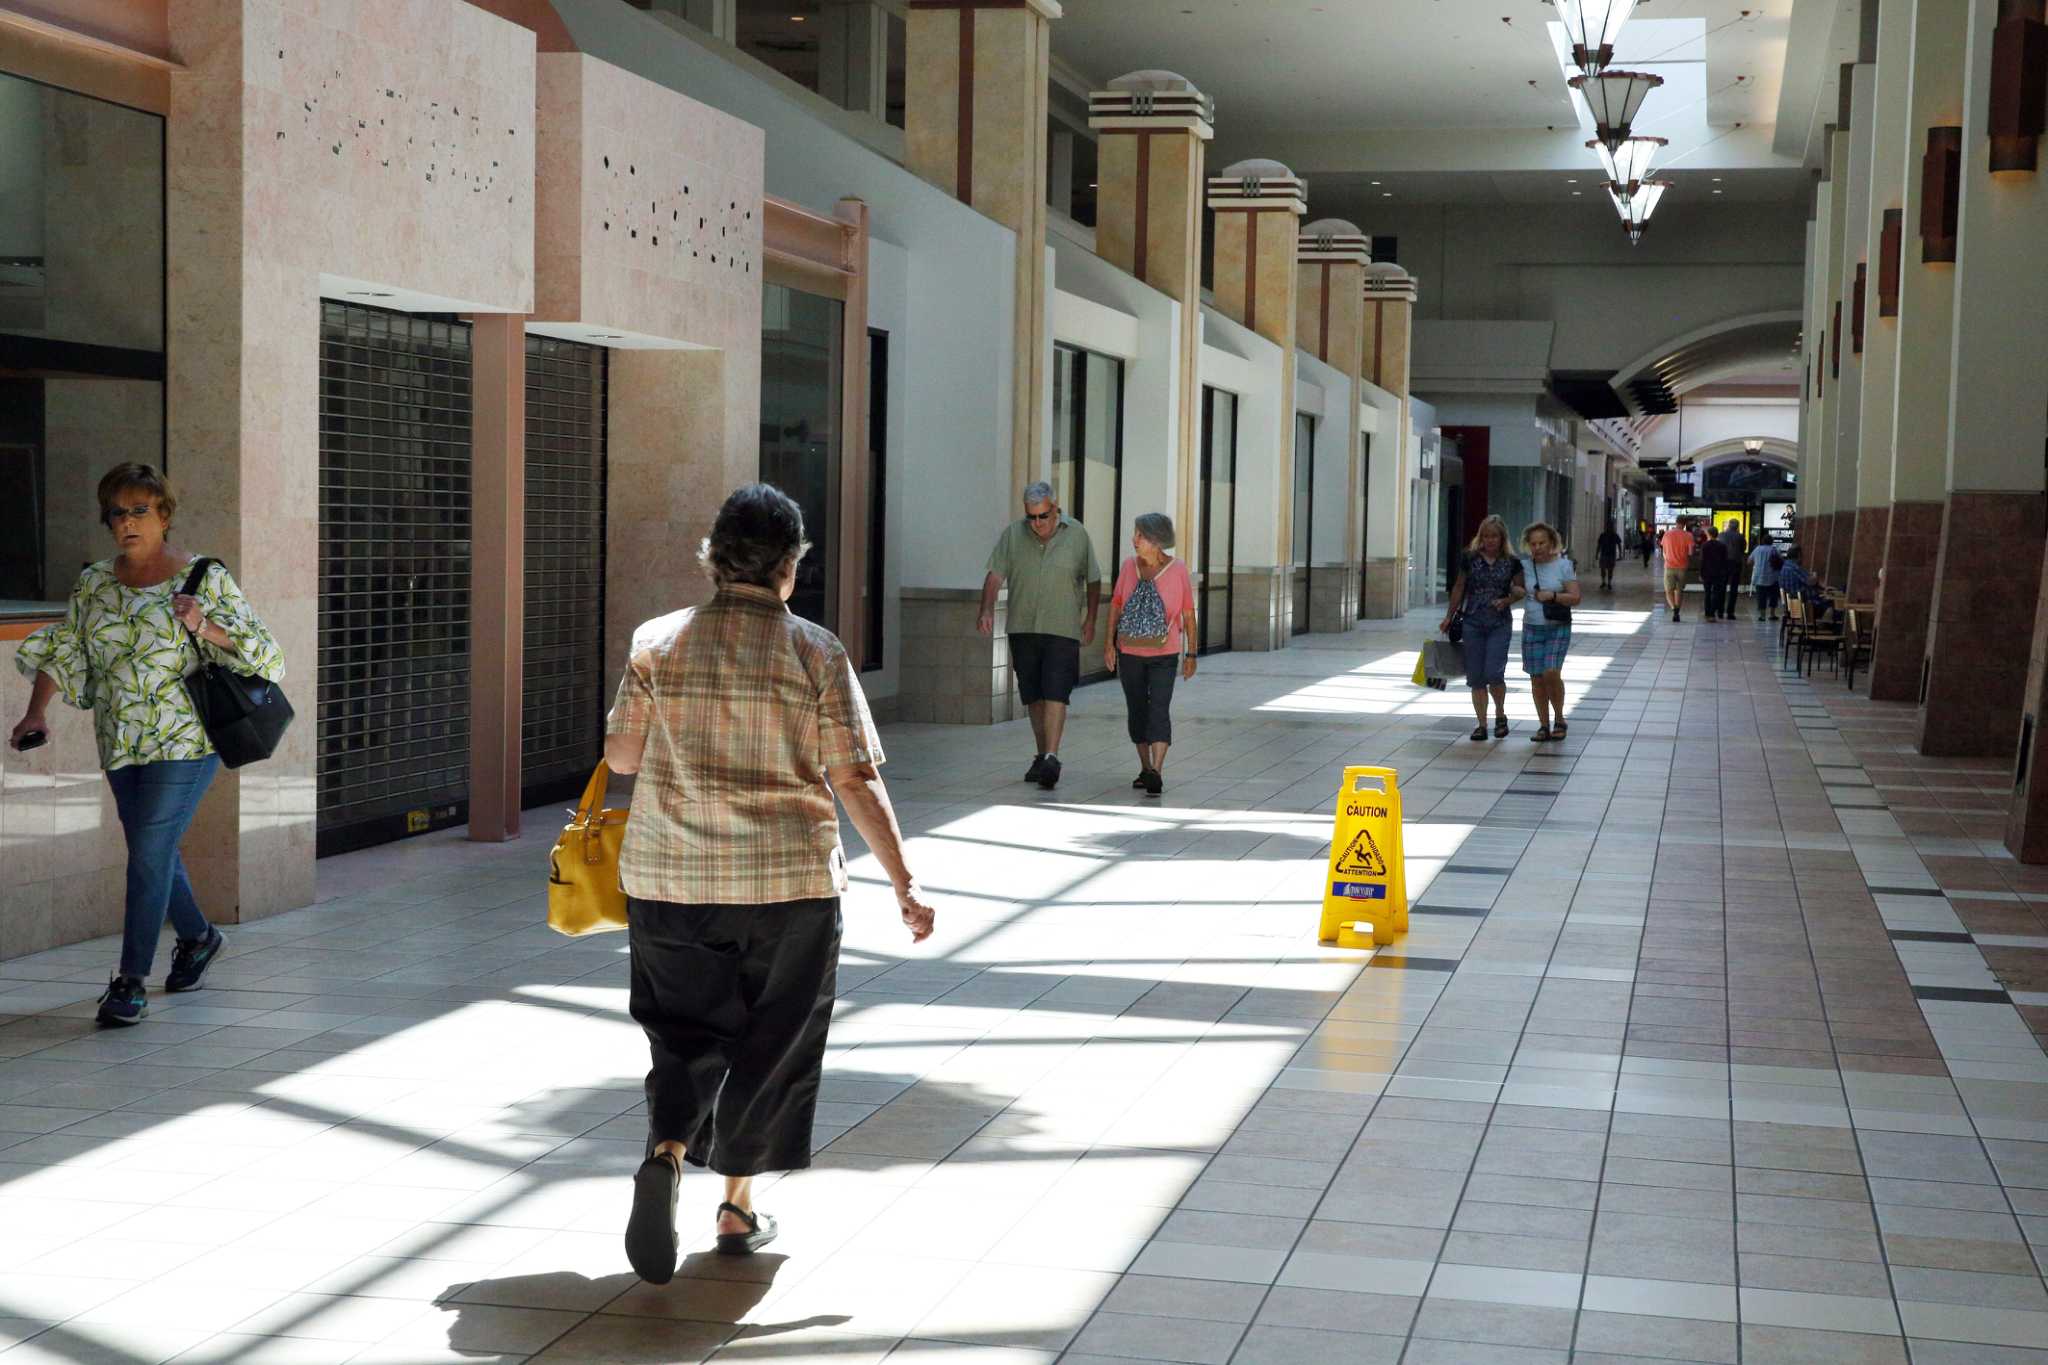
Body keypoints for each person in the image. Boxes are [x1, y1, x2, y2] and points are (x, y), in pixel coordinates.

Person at [605, 483, 937, 1285]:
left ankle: (666, 1152)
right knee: (771, 1040)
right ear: (789, 567)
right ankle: (735, 1207)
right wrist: (904, 880)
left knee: (682, 1034)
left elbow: (622, 757)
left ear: (713, 560)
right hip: (789, 889)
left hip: (672, 880)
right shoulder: (815, 651)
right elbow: (854, 777)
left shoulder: (657, 641)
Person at [9, 463, 284, 1027]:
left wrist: (203, 626)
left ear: (164, 516)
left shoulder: (204, 577)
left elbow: (266, 654)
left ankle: (130, 980)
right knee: (151, 850)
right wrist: (36, 711)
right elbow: (67, 649)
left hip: (187, 740)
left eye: (140, 510)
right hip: (121, 740)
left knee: (150, 850)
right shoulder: (95, 582)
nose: (127, 522)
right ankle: (199, 938)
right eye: (117, 512)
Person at [977, 481, 1101, 790]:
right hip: (1023, 627)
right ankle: (1042, 753)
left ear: (1055, 509)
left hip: (1062, 628)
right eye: (1031, 517)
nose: (1037, 523)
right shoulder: (1013, 535)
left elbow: (1093, 579)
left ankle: (1051, 757)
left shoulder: (1077, 535)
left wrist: (1091, 619)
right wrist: (986, 609)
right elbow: (994, 576)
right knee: (1033, 695)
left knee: (1056, 692)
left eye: (1043, 516)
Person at [1102, 513, 1197, 796]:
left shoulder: (1178, 569)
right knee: (1137, 710)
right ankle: (1145, 768)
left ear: (1156, 540)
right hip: (1130, 651)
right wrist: (1109, 644)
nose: (1134, 539)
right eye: (1135, 534)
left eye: (1140, 535)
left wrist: (1191, 654)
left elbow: (1188, 614)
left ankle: (1157, 769)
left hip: (1164, 653)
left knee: (1159, 708)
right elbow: (1116, 606)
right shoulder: (1128, 567)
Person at [1440, 515, 1524, 742]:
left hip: (1499, 622)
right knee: (1476, 676)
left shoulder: (1512, 562)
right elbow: (1459, 587)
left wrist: (1508, 600)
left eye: (1494, 536)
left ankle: (1500, 714)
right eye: (1486, 536)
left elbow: (1520, 589)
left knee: (1494, 672)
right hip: (1472, 621)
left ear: (1502, 538)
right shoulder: (1470, 558)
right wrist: (1449, 616)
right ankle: (1482, 724)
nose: (1489, 540)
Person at [1520, 521, 1580, 742]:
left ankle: (1559, 718)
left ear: (1551, 542)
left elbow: (1575, 597)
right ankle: (1543, 725)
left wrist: (1553, 596)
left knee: (1551, 672)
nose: (1537, 547)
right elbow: (1516, 588)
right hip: (1531, 626)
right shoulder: (1524, 566)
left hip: (1557, 626)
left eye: (1542, 543)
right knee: (1536, 677)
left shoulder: (1563, 565)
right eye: (1533, 544)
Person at [1659, 520, 1694, 622]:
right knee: (1679, 590)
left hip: (1669, 566)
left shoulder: (1667, 534)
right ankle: (1677, 610)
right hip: (1682, 567)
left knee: (1668, 590)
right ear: (1684, 525)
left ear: (1676, 523)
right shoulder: (1689, 535)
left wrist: (1668, 558)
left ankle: (1674, 609)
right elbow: (1690, 553)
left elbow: (1664, 551)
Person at [1699, 528, 1732, 621]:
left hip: (1707, 572)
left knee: (1707, 593)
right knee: (1716, 593)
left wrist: (1701, 573)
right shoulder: (1722, 545)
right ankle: (1712, 613)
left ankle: (1707, 613)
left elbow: (1702, 560)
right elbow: (1725, 560)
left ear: (1709, 534)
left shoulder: (1705, 545)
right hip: (1719, 573)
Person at [1717, 521, 1748, 619]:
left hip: (1723, 563)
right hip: (1736, 563)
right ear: (1737, 527)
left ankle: (1720, 611)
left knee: (1721, 588)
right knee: (1734, 589)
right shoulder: (1740, 536)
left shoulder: (1721, 535)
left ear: (1729, 526)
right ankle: (1730, 612)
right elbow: (1743, 549)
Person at [1750, 534, 1783, 620]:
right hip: (1772, 577)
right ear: (1772, 541)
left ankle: (1762, 616)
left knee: (1761, 597)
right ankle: (1772, 614)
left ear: (1762, 541)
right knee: (1773, 596)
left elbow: (1749, 561)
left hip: (1759, 577)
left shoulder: (1757, 549)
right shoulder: (1774, 550)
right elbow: (1781, 560)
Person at [1596, 522, 1621, 591]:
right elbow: (1599, 545)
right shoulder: (1602, 535)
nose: (1609, 528)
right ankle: (1603, 581)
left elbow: (1619, 544)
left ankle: (1609, 582)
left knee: (1610, 570)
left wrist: (1620, 553)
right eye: (1608, 526)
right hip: (1604, 555)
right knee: (1603, 569)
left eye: (1610, 526)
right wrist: (1597, 553)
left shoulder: (1615, 535)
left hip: (1611, 555)